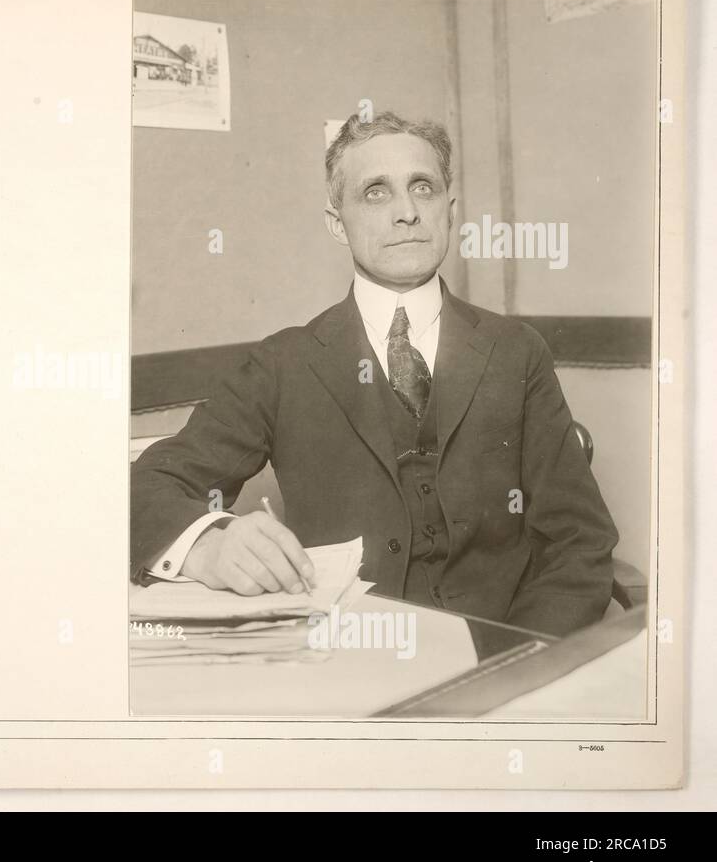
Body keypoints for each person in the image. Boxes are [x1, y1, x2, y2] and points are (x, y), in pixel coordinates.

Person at [129, 111, 618, 637]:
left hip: (501, 657)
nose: (407, 212)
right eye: (376, 193)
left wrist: (517, 661)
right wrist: (208, 543)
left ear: (450, 212)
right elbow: (142, 487)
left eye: (423, 188)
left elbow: (579, 543)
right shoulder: (282, 365)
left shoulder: (516, 351)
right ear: (337, 223)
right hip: (346, 664)